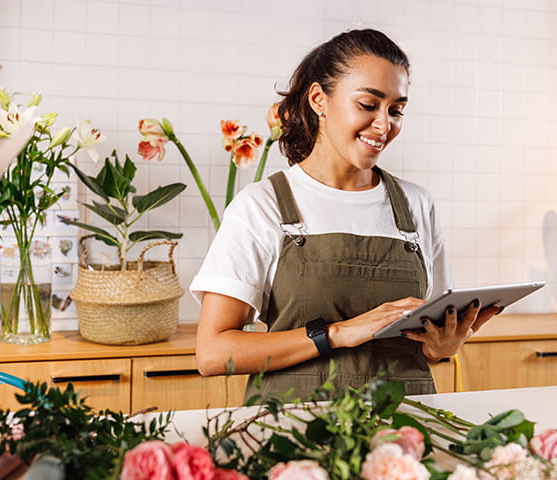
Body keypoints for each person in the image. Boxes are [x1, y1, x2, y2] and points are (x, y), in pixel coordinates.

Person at [190, 28, 500, 401]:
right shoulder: (262, 204)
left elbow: (430, 348)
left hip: (403, 429)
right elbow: (212, 354)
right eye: (369, 105)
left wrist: (444, 345)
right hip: (296, 431)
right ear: (319, 99)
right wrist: (335, 333)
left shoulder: (417, 205)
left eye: (397, 110)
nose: (385, 125)